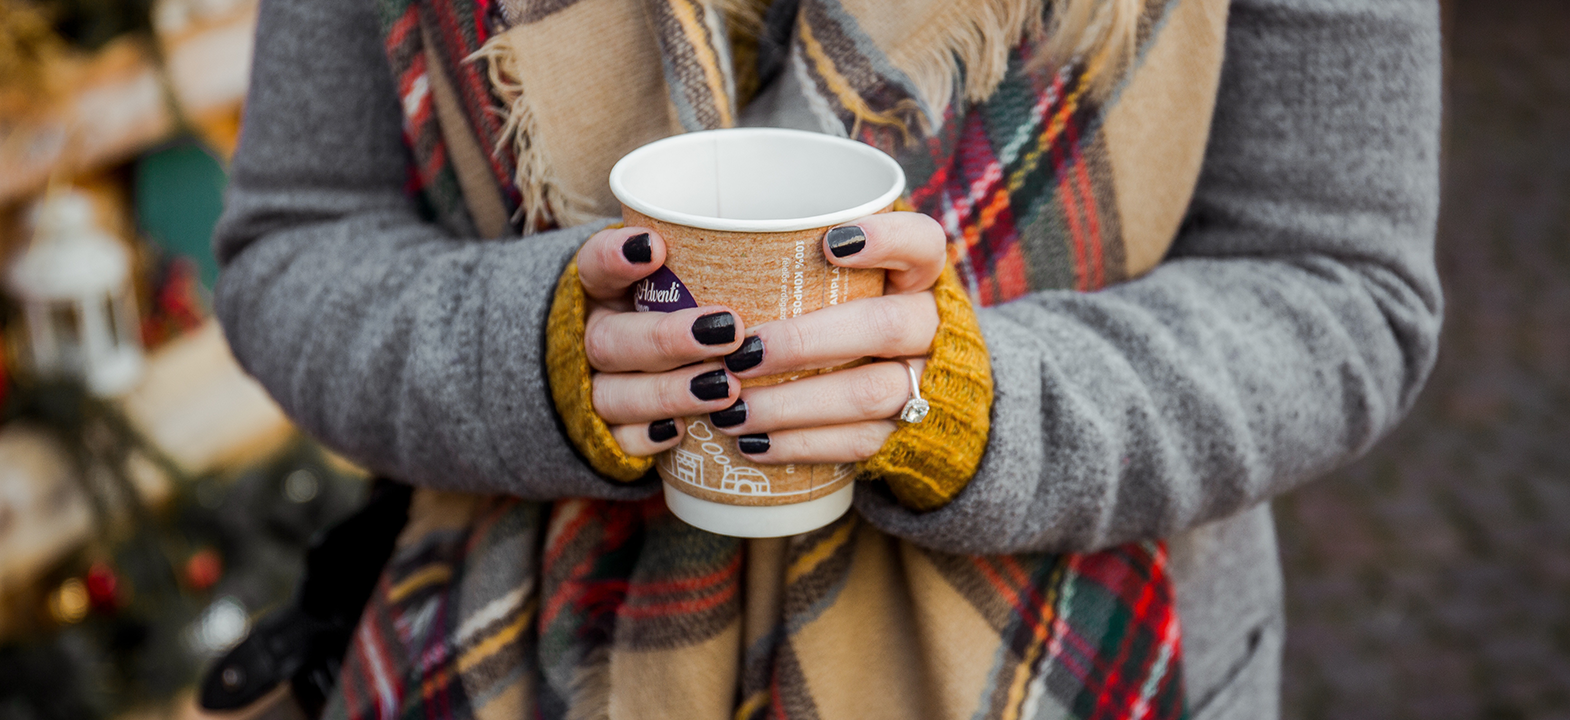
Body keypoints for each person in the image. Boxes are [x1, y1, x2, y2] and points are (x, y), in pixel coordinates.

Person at [210, 0, 1442, 717]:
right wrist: (530, 359)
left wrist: (983, 409)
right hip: (505, 670)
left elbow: (1340, 283)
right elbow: (295, 240)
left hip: (1090, 670)